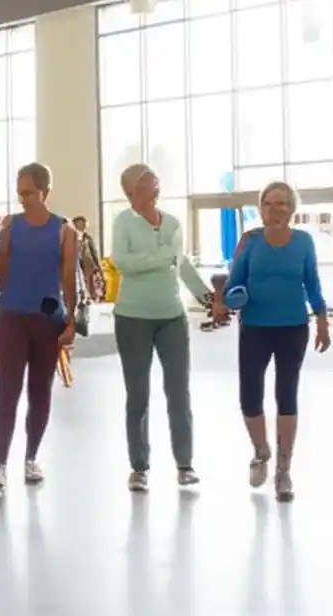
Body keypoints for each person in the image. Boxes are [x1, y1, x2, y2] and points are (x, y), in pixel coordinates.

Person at [221, 182, 330, 502]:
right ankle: (261, 451)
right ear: (261, 207)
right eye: (268, 203)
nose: (275, 209)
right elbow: (233, 283)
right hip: (255, 326)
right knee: (250, 396)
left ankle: (284, 469)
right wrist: (230, 299)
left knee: (287, 395)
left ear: (292, 208)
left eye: (282, 203)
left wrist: (322, 319)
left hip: (293, 327)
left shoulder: (304, 241)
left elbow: (312, 282)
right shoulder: (250, 242)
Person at [110, 165, 211, 492]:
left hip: (172, 316)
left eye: (154, 181)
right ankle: (139, 466)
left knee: (178, 392)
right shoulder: (123, 222)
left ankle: (185, 463)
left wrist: (208, 298)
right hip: (132, 318)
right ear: (132, 191)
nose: (155, 186)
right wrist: (162, 256)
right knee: (138, 394)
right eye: (146, 183)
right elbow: (123, 262)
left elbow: (181, 264)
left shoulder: (173, 223)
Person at [0, 163, 76, 491]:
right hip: (11, 316)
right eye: (20, 192)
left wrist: (71, 320)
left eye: (29, 192)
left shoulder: (65, 231)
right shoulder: (10, 225)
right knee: (7, 391)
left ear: (45, 192)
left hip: (47, 320)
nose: (23, 198)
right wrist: (4, 246)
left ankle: (31, 458)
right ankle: (0, 464)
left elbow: (68, 278)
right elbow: (2, 278)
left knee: (41, 391)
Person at [73, 216, 102, 302]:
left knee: (91, 285)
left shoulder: (88, 238)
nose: (83, 227)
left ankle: (92, 300)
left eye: (84, 225)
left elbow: (94, 253)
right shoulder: (70, 237)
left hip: (88, 266)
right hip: (76, 267)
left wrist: (99, 268)